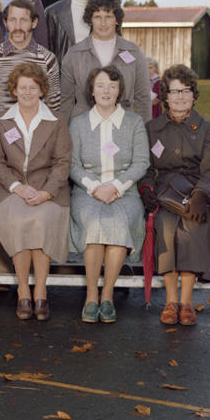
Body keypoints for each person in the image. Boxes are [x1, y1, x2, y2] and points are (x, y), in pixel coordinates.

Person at [139, 64, 210, 326]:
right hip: (164, 194)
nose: (179, 97)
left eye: (185, 91)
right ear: (165, 96)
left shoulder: (208, 129)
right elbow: (145, 167)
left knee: (194, 225)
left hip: (196, 193)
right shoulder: (152, 128)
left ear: (193, 94)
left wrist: (202, 194)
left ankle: (186, 303)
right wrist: (146, 188)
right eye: (174, 91)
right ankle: (170, 301)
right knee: (165, 227)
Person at [0, 63, 72, 321]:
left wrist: (46, 192)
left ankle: (41, 290)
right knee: (18, 218)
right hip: (11, 188)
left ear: (41, 90)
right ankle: (23, 289)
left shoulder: (56, 121)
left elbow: (63, 162)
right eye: (22, 88)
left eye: (32, 88)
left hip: (48, 188)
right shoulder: (1, 120)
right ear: (14, 90)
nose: (27, 93)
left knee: (42, 218)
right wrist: (17, 187)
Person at [68, 66, 150, 323]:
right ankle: (91, 295)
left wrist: (116, 187)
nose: (106, 91)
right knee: (94, 223)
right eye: (101, 85)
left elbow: (141, 162)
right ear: (92, 91)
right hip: (87, 191)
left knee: (116, 223)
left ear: (119, 92)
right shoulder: (79, 123)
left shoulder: (134, 122)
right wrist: (94, 188)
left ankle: (107, 295)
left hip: (123, 191)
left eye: (112, 86)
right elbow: (72, 164)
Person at [59, 0, 152, 124]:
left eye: (108, 16)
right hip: (84, 130)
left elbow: (143, 98)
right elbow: (66, 102)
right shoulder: (74, 55)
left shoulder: (134, 52)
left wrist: (144, 135)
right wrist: (64, 138)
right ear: (90, 19)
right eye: (97, 17)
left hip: (124, 127)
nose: (103, 23)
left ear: (116, 20)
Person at [0, 0, 61, 117]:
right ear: (5, 22)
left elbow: (53, 107)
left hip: (37, 133)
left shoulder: (48, 59)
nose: (17, 26)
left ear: (34, 22)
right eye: (12, 20)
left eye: (23, 20)